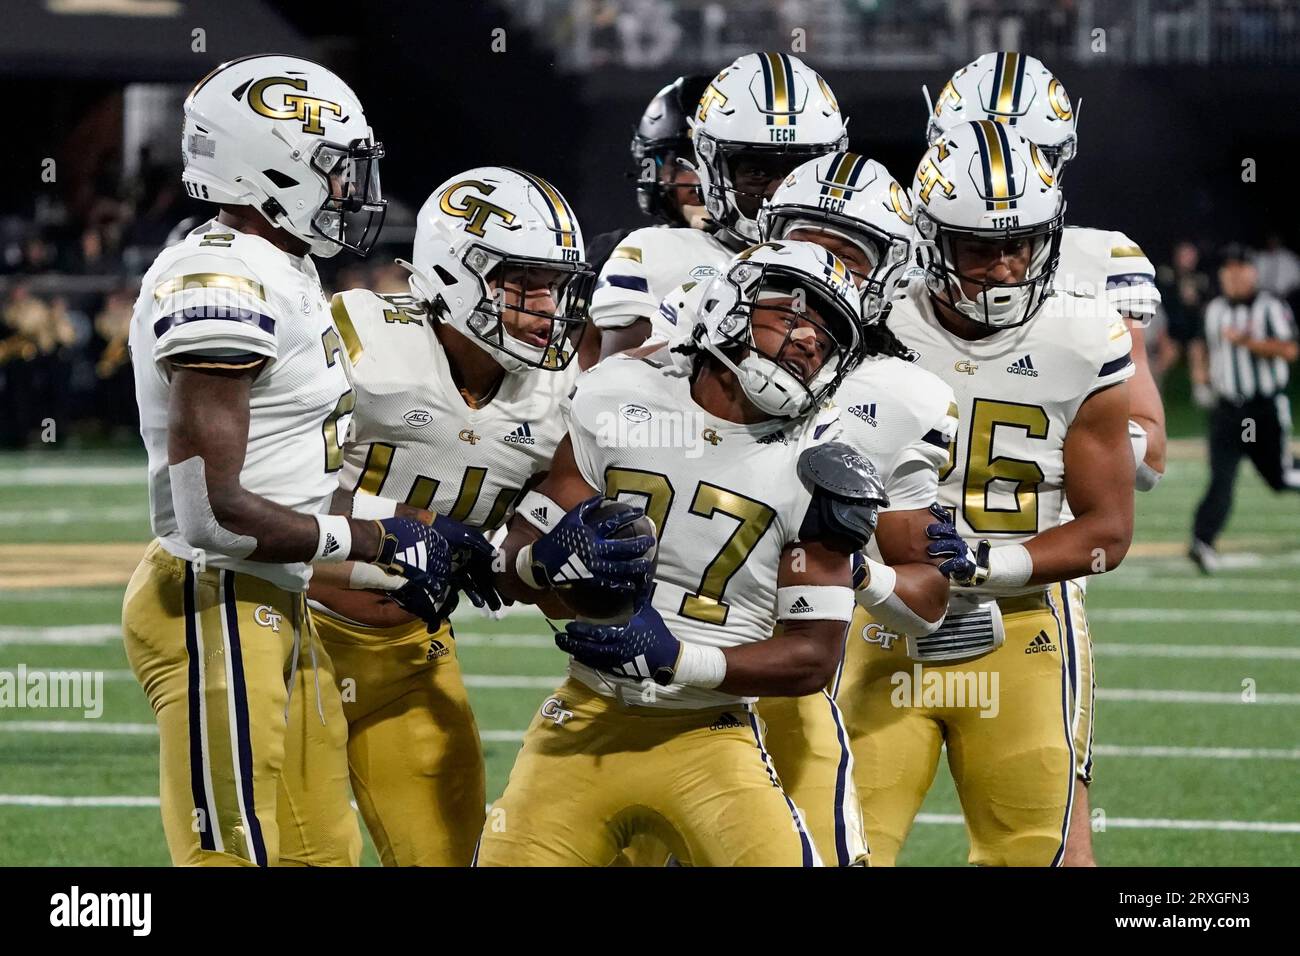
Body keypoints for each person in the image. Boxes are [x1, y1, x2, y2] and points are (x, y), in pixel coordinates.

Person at [121, 54, 452, 866]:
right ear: (267, 164)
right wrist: (374, 541)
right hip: (213, 595)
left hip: (273, 595)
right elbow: (211, 513)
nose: (352, 189)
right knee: (233, 855)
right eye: (336, 168)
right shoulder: (218, 277)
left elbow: (292, 475)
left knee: (319, 855)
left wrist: (403, 556)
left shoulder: (284, 267)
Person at [476, 241, 876, 866]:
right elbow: (511, 566)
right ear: (729, 305)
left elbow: (813, 658)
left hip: (712, 735)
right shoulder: (619, 394)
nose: (806, 342)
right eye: (792, 315)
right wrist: (546, 561)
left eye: (825, 339)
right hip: (586, 716)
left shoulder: (819, 463)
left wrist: (677, 658)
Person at [836, 121, 1135, 867]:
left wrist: (988, 564)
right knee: (838, 850)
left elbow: (1108, 531)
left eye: (1022, 245)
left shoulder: (1083, 335)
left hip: (1022, 626)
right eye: (979, 248)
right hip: (880, 622)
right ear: (932, 239)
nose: (1005, 268)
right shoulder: (870, 321)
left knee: (1031, 856)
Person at [307, 167, 595, 865]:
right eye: (524, 284)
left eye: (557, 288)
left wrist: (570, 566)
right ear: (454, 274)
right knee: (304, 854)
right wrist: (415, 530)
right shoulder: (357, 338)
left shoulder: (561, 395)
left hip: (413, 655)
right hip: (293, 636)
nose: (546, 309)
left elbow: (526, 570)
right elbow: (264, 494)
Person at [924, 52, 1162, 864]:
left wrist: (1077, 433)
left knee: (1052, 841)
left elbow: (1149, 448)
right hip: (886, 588)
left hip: (1029, 588)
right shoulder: (903, 260)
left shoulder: (1097, 261)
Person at [590, 52, 848, 359]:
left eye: (800, 172)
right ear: (710, 169)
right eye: (757, 172)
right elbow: (614, 382)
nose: (781, 192)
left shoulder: (855, 263)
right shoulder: (656, 253)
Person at [1189, 244, 1300, 573]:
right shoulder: (1214, 309)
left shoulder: (1270, 306)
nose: (1233, 275)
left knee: (1279, 477)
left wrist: (1248, 342)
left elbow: (1289, 350)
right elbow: (1200, 344)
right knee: (1221, 479)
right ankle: (1202, 542)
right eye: (1228, 269)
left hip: (1262, 411)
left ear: (1252, 273)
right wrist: (1199, 374)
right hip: (1227, 412)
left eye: (1240, 268)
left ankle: (1203, 542)